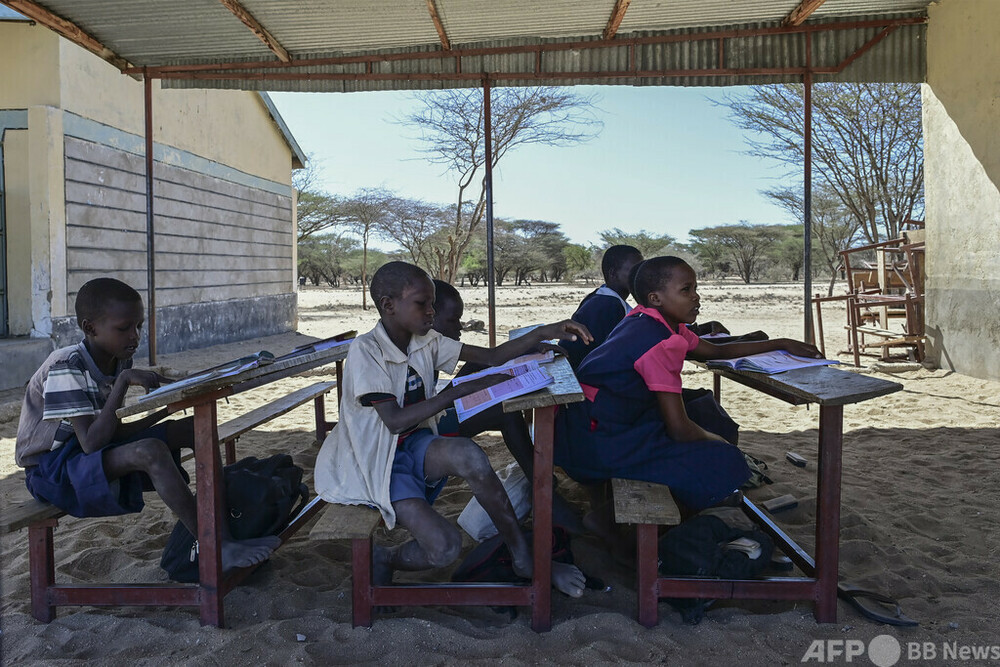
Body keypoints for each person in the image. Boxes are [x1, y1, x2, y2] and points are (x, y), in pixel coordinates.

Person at [314, 261, 592, 597]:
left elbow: (491, 356)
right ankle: (387, 558)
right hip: (374, 461)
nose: (431, 312)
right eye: (422, 304)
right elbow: (395, 420)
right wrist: (455, 393)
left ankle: (522, 554)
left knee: (470, 456)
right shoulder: (366, 350)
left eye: (432, 304)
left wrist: (541, 333)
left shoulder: (425, 340)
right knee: (445, 548)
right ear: (388, 305)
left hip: (412, 445)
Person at [15, 278, 279, 570]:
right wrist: (123, 384)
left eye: (138, 326)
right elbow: (91, 442)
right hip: (49, 472)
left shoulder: (117, 360)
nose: (135, 336)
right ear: (90, 328)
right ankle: (215, 546)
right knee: (150, 450)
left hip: (82, 454)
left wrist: (168, 407)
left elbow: (114, 430)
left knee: (193, 427)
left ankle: (223, 533)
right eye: (124, 328)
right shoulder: (66, 366)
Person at [554, 256, 823, 516]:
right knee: (727, 460)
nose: (696, 296)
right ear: (655, 298)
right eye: (686, 290)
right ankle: (632, 528)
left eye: (696, 288)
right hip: (598, 446)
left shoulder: (647, 319)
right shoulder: (662, 343)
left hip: (585, 428)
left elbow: (715, 351)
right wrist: (717, 441)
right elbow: (681, 430)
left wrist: (780, 343)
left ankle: (632, 514)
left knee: (705, 416)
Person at [430, 279, 585, 535]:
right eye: (452, 320)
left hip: (430, 413)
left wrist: (526, 349)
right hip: (420, 432)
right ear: (428, 315)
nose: (459, 327)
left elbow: (487, 357)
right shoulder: (419, 346)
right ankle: (544, 492)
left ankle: (542, 486)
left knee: (487, 382)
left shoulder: (432, 342)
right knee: (504, 412)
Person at [559, 244, 643, 369]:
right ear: (613, 273)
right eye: (634, 271)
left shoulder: (601, 296)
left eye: (641, 270)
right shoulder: (609, 306)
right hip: (584, 375)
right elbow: (613, 353)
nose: (640, 275)